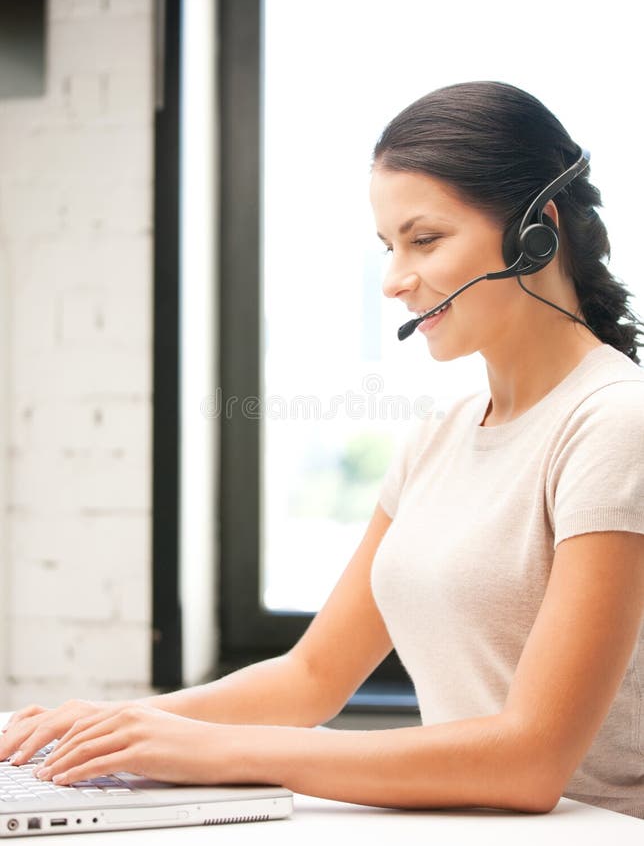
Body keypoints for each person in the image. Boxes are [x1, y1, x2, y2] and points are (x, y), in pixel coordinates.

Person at [1, 80, 644, 818]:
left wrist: (215, 752)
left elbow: (528, 762)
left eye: (425, 239)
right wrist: (124, 726)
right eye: (388, 246)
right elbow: (311, 676)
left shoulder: (614, 423)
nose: (396, 280)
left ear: (538, 229)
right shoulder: (439, 438)